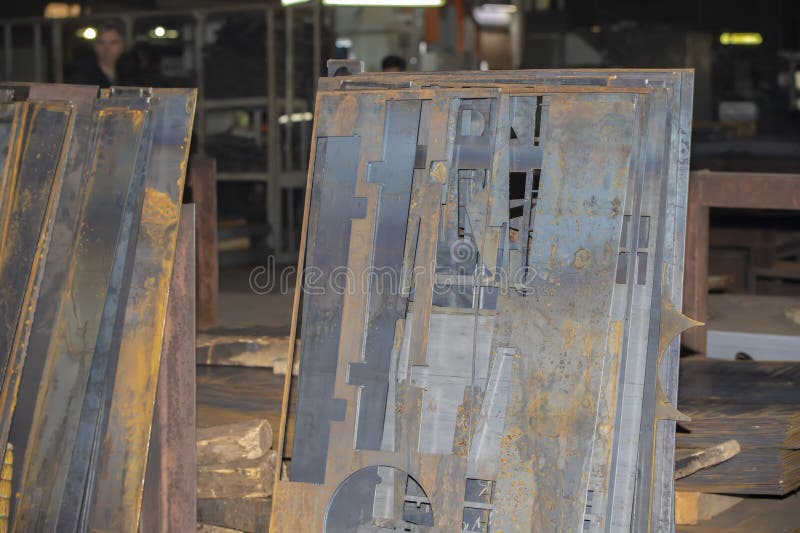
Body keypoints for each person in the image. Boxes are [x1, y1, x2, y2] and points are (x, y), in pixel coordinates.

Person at [67, 23, 126, 87]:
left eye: (113, 43)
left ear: (122, 46)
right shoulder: (82, 77)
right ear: (95, 46)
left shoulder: (131, 75)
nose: (107, 49)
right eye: (101, 43)